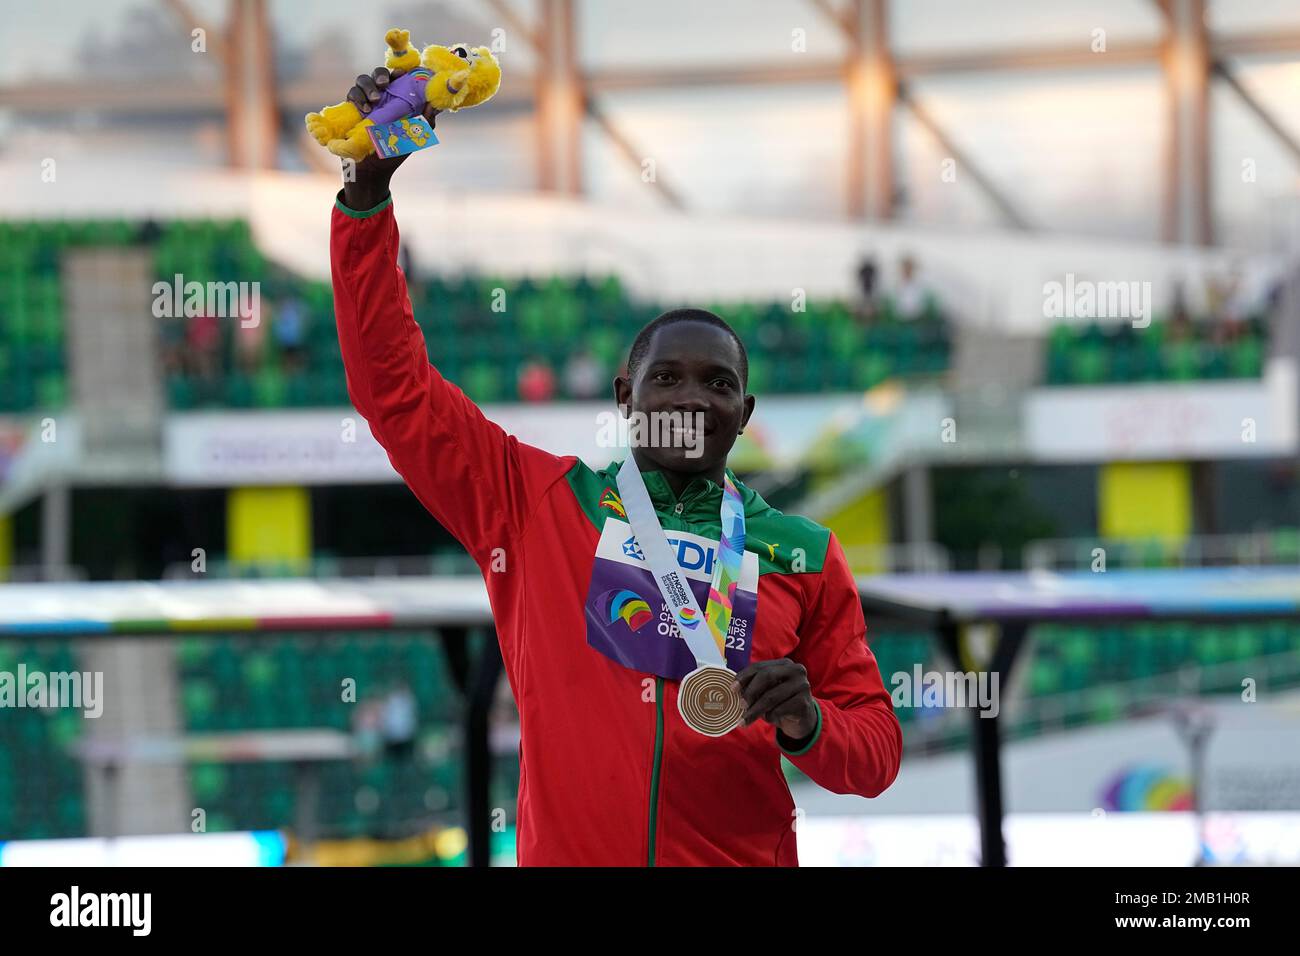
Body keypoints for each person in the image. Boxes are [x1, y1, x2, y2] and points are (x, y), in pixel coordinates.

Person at [330, 65, 901, 867]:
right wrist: (365, 196)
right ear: (626, 394)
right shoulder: (534, 504)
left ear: (746, 414)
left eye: (719, 385)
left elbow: (874, 754)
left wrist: (811, 724)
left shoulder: (803, 553)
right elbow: (393, 390)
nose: (693, 400)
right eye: (668, 378)